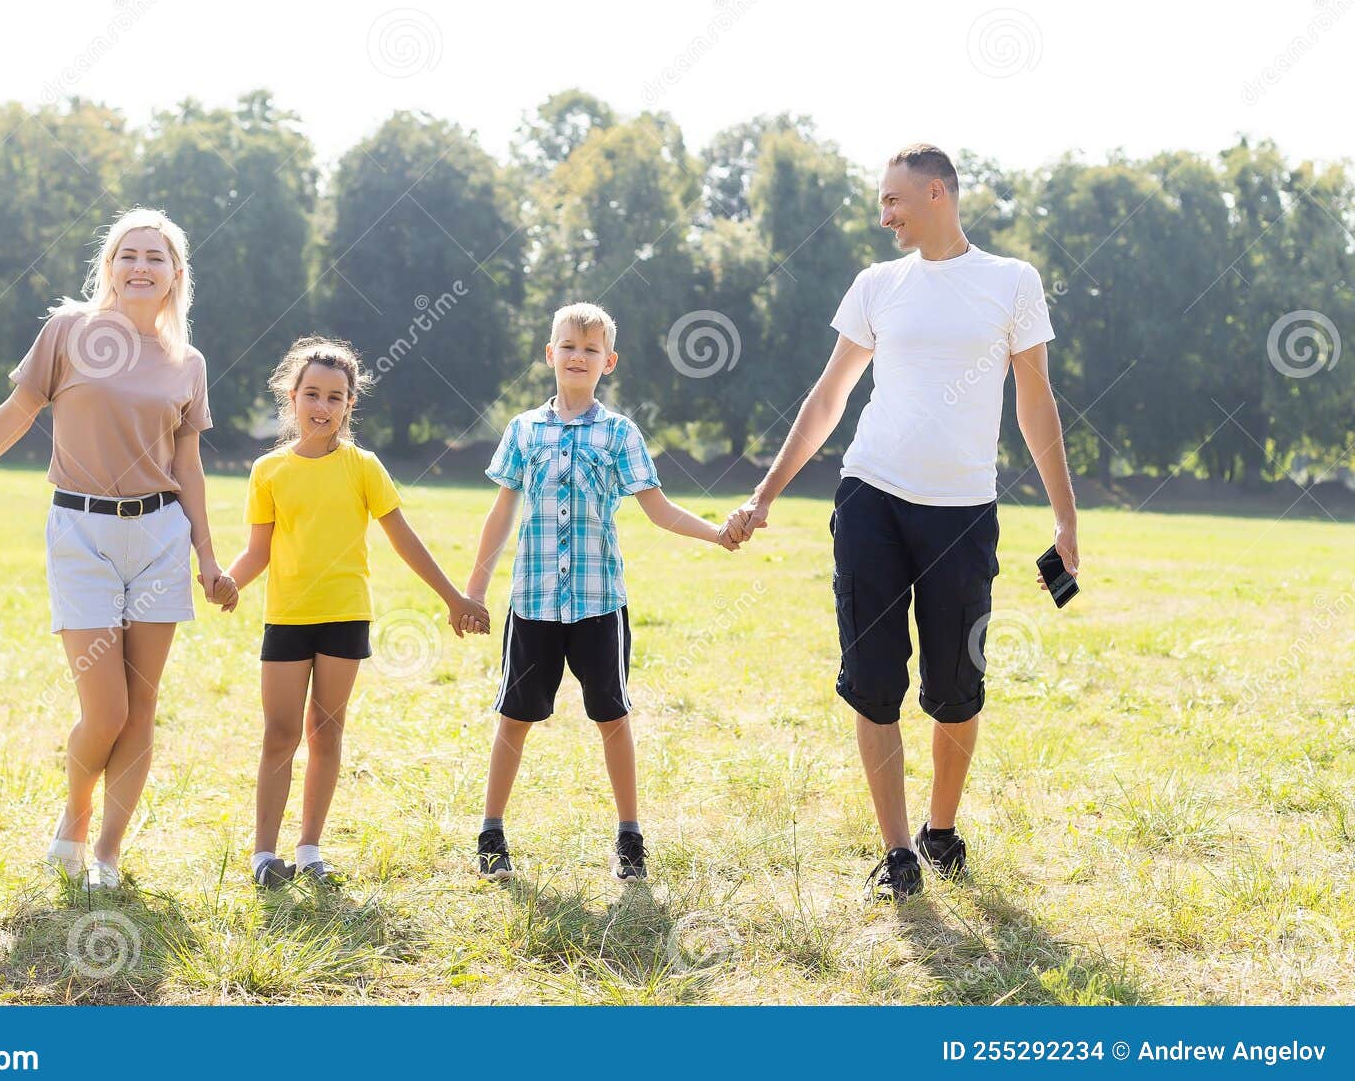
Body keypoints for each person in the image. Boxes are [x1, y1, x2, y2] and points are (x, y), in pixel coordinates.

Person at [725, 145, 1080, 901]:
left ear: (937, 193)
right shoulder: (877, 285)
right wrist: (766, 492)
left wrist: (1065, 516)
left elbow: (1035, 401)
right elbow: (829, 397)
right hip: (872, 498)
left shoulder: (1012, 281)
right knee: (872, 680)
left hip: (963, 514)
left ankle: (939, 829)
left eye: (894, 200)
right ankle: (896, 854)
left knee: (957, 686)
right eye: (881, 201)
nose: (884, 215)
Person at [0, 208, 226, 891]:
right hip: (81, 533)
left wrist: (207, 555)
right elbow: (16, 413)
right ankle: (74, 821)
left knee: (141, 709)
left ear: (176, 274)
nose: (141, 266)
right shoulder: (69, 332)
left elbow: (189, 466)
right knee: (106, 711)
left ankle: (107, 854)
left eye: (156, 257)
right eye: (128, 254)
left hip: (160, 536)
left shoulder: (188, 362)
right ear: (109, 266)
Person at [463, 303, 740, 884]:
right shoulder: (523, 430)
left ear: (608, 362)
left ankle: (629, 837)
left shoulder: (619, 434)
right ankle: (491, 832)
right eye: (568, 346)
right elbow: (501, 513)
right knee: (514, 716)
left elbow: (658, 509)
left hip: (598, 605)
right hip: (533, 603)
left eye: (591, 350)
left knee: (613, 716)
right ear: (550, 354)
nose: (578, 357)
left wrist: (716, 533)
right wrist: (475, 589)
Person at [214, 337, 490, 888]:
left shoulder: (363, 467)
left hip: (344, 617)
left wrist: (453, 597)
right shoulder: (268, 470)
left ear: (349, 404)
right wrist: (229, 582)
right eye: (312, 394)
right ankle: (264, 855)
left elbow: (403, 538)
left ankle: (309, 849)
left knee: (325, 730)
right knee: (280, 733)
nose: (322, 406)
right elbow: (257, 551)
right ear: (291, 397)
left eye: (335, 397)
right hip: (287, 618)